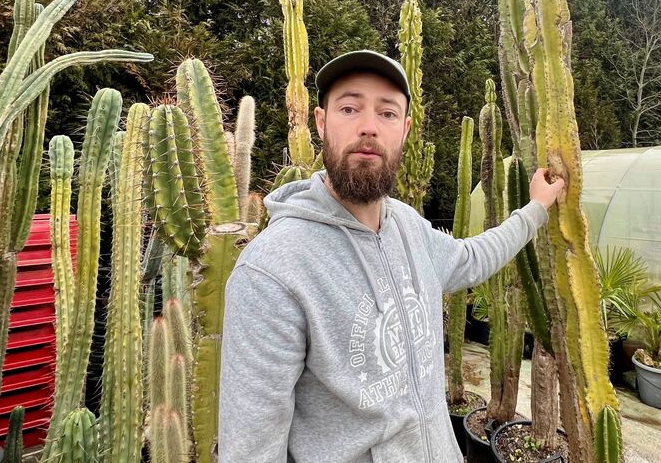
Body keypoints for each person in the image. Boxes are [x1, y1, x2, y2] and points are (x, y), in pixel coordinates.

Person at [218, 50, 565, 462]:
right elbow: (252, 451)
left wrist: (535, 209)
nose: (368, 126)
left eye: (386, 113)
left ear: (405, 130)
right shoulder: (271, 271)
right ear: (321, 122)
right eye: (350, 108)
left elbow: (472, 258)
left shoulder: (407, 224)